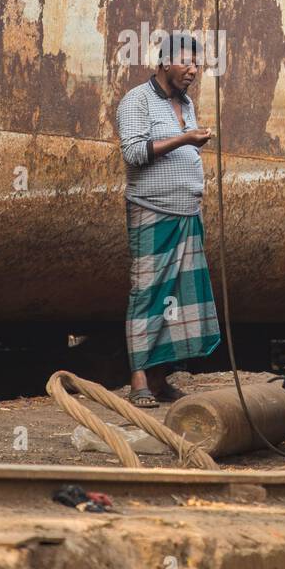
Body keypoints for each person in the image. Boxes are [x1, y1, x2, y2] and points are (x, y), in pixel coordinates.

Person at [115, 31, 220, 408]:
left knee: (175, 297)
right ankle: (139, 377)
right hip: (152, 209)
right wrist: (186, 139)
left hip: (186, 212)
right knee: (147, 293)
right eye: (186, 63)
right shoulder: (137, 100)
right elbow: (133, 154)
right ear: (163, 63)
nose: (194, 70)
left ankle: (160, 377)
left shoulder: (185, 102)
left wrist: (189, 139)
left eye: (197, 64)